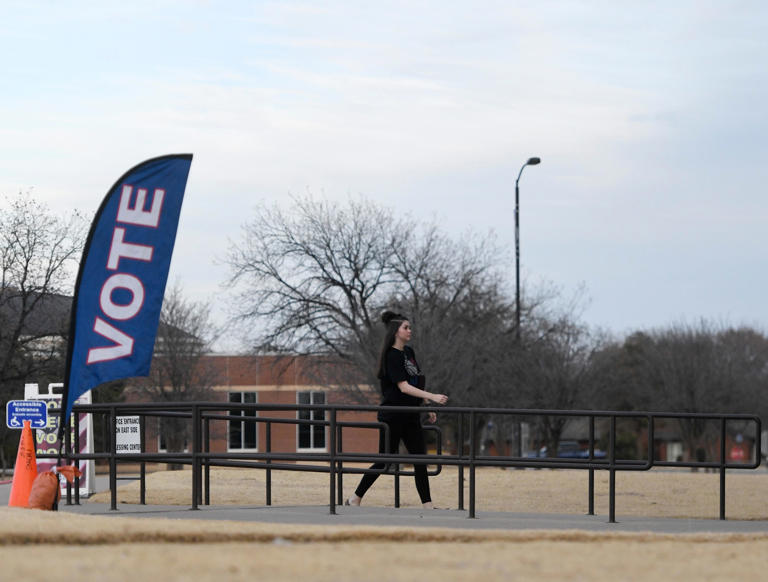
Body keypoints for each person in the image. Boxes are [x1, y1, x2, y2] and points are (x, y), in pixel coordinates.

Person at [346, 311, 448, 509]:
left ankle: (428, 505)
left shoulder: (409, 353)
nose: (410, 331)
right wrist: (433, 396)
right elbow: (403, 387)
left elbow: (415, 380)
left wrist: (426, 404)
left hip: (410, 415)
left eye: (409, 327)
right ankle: (355, 498)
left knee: (420, 460)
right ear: (396, 331)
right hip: (392, 416)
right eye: (406, 327)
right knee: (384, 461)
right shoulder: (391, 356)